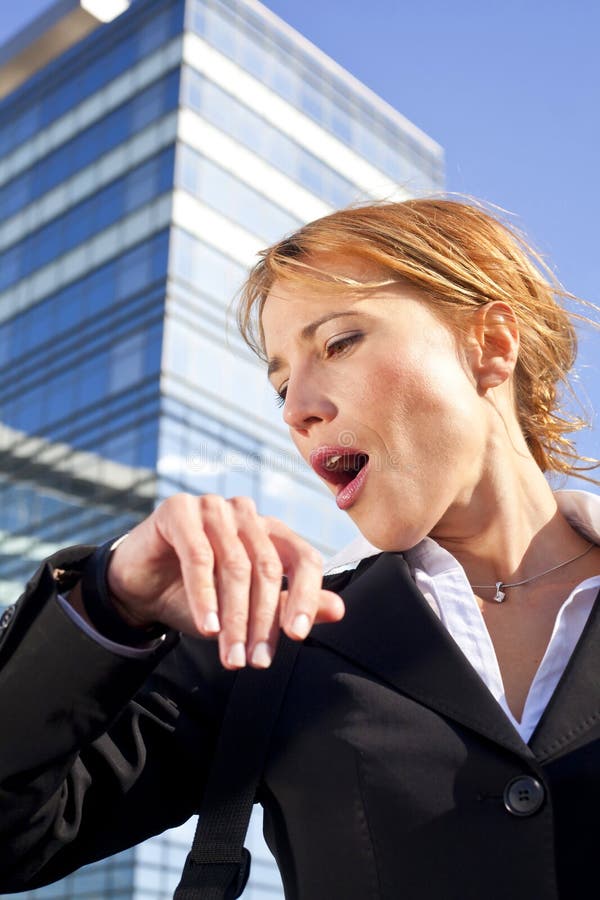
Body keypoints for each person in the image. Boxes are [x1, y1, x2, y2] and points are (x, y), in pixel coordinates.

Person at [1, 197, 600, 900]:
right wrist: (111, 599)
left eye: (339, 343)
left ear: (491, 344)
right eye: (282, 383)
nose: (296, 408)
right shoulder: (275, 642)